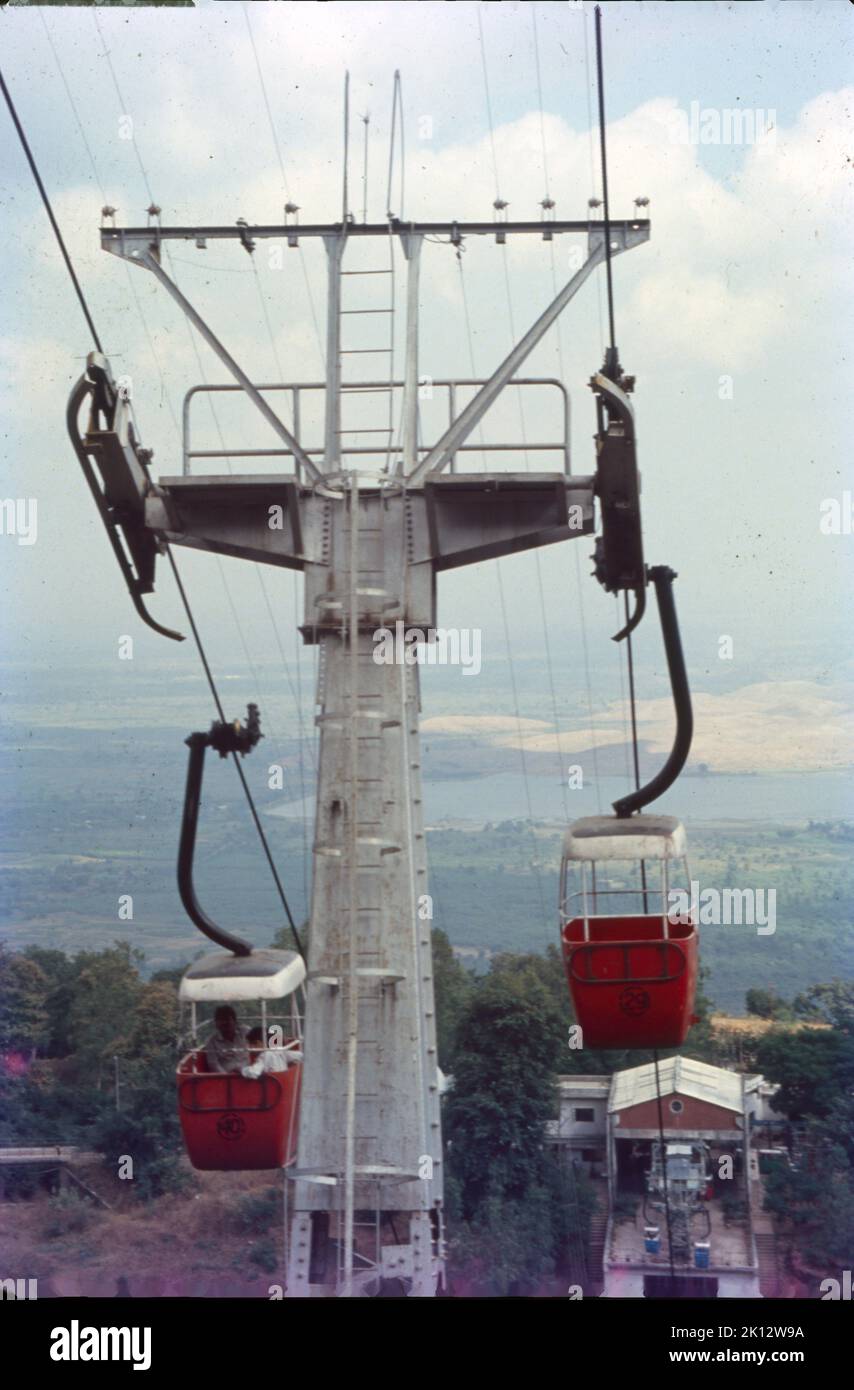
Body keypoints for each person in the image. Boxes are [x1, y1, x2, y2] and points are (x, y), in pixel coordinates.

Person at [206, 1005, 250, 1074]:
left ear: (234, 1021)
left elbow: (259, 1044)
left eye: (227, 1020)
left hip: (248, 1075)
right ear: (217, 1024)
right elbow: (213, 1064)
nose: (225, 1024)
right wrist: (226, 1076)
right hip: (225, 1077)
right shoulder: (212, 1041)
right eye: (221, 1021)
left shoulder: (245, 1032)